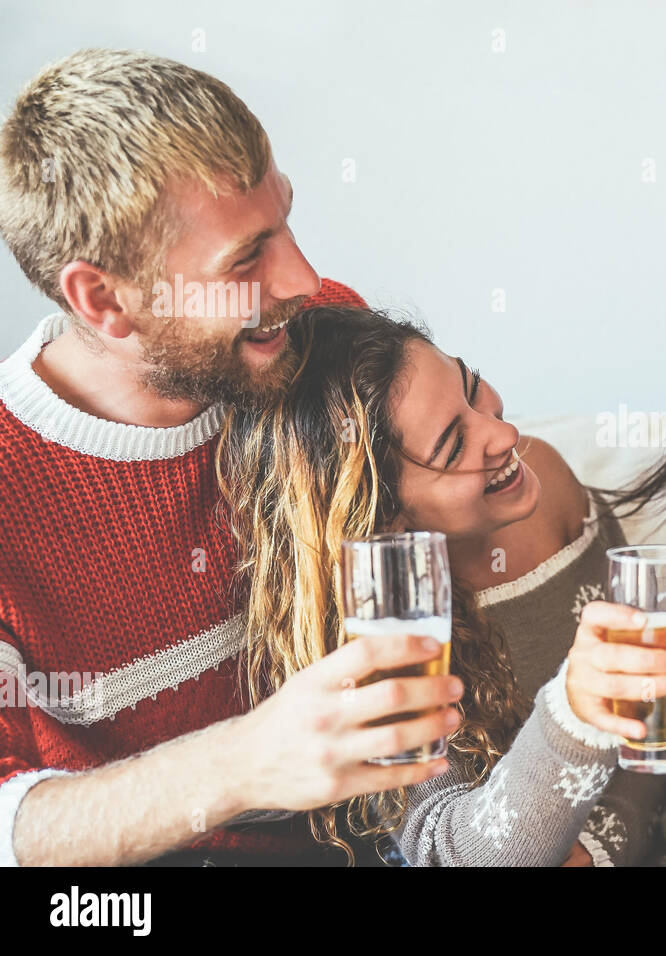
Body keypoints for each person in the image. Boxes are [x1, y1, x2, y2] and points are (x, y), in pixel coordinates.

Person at [0, 49, 461, 866]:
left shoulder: (312, 339)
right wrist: (249, 761)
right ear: (103, 301)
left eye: (285, 220)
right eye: (247, 258)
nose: (306, 277)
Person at [220, 306, 666, 865]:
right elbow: (454, 853)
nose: (504, 433)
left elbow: (650, 733)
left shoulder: (550, 485)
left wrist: (594, 850)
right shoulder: (379, 632)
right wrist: (575, 711)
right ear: (387, 520)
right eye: (453, 446)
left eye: (471, 387)